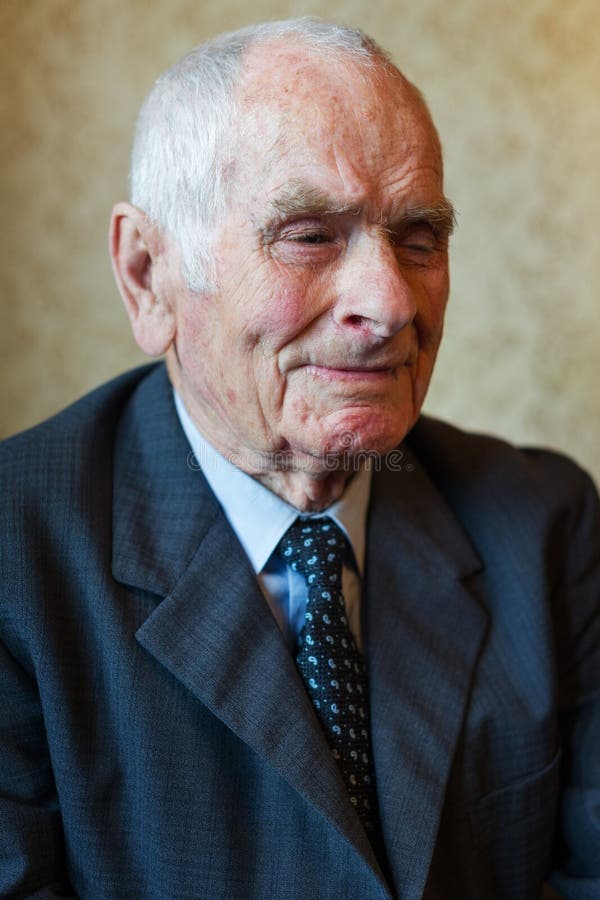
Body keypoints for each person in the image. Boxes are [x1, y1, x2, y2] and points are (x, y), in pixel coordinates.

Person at [0, 16, 598, 900]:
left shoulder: (545, 522)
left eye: (419, 236)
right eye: (311, 234)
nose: (389, 303)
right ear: (147, 274)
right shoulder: (17, 552)